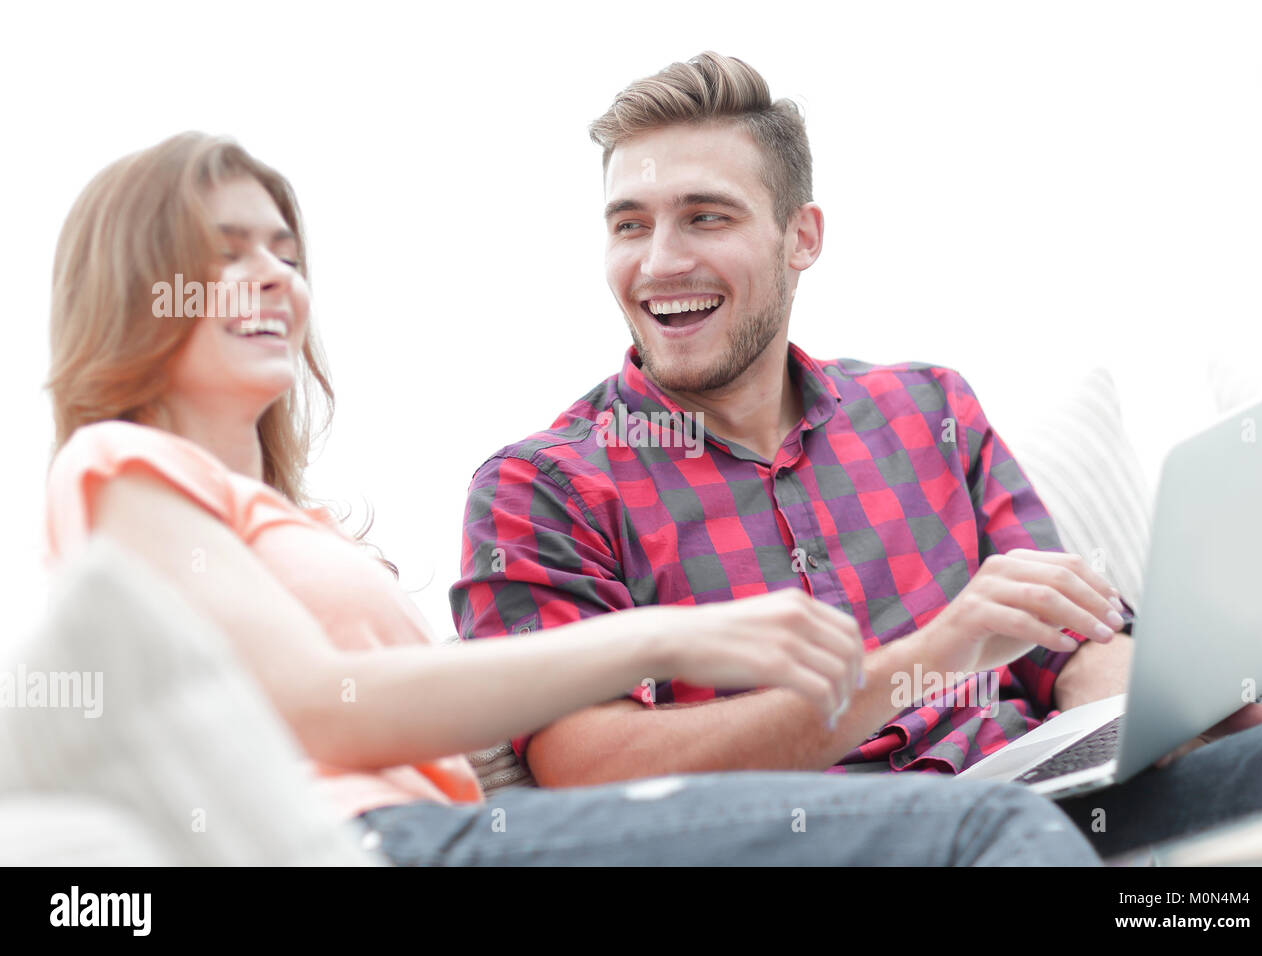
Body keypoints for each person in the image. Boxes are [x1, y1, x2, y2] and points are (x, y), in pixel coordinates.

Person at [40, 131, 1100, 866]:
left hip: (456, 838)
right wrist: (662, 638)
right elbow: (322, 707)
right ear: (136, 289)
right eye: (225, 254)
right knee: (981, 833)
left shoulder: (291, 525)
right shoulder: (118, 463)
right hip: (371, 844)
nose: (275, 276)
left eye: (284, 249)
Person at [449, 51, 1262, 858]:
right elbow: (588, 772)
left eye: (706, 216)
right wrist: (935, 653)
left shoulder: (929, 407)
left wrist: (1139, 714)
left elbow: (1071, 636)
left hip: (1055, 797)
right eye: (629, 225)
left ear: (801, 237)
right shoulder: (540, 489)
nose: (660, 262)